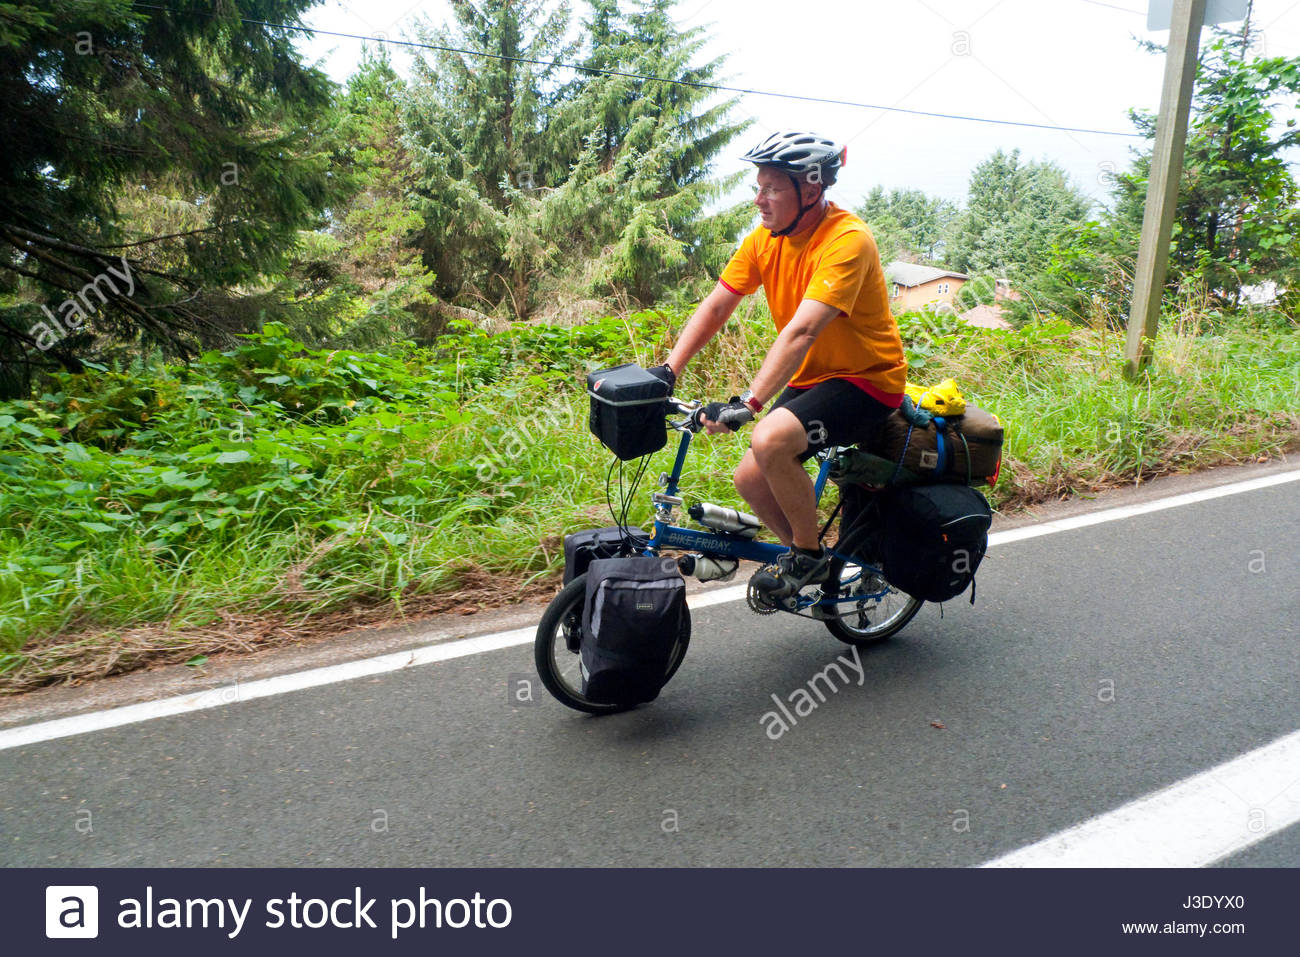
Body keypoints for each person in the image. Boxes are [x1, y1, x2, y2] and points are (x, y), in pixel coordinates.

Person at [647, 130, 907, 599]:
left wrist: (750, 402)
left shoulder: (847, 241)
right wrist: (669, 369)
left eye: (771, 189)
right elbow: (716, 307)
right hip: (814, 378)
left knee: (769, 438)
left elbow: (803, 331)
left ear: (811, 190)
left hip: (867, 380)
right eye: (757, 187)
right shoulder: (764, 240)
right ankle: (815, 562)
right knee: (748, 477)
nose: (759, 200)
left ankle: (806, 558)